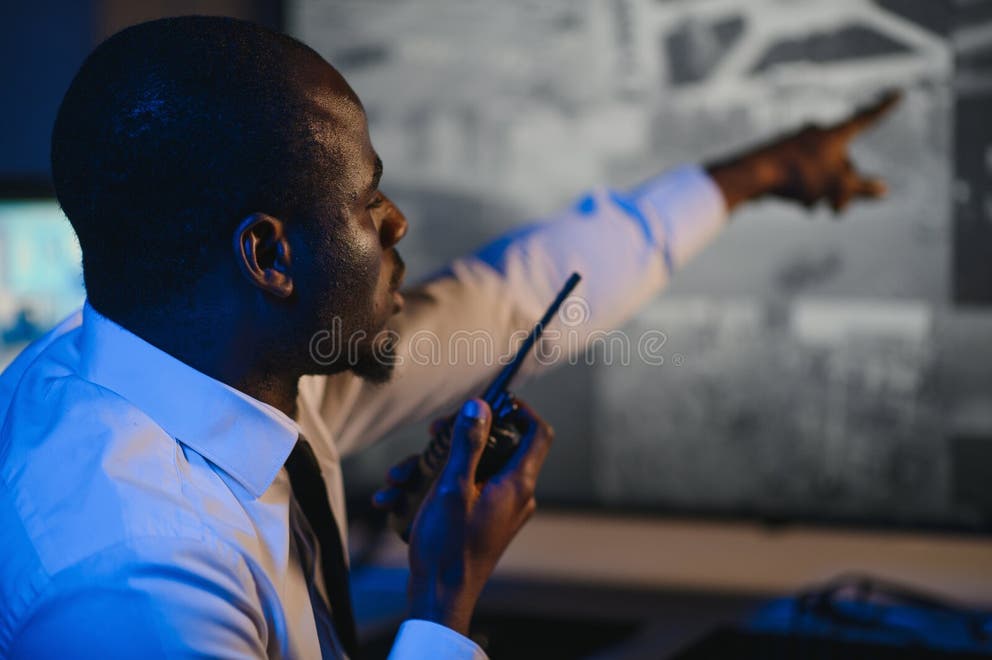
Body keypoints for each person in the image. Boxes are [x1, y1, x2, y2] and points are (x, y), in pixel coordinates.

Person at [0, 15, 898, 660]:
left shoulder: (220, 364)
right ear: (270, 256)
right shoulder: (138, 584)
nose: (395, 223)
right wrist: (442, 601)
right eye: (366, 201)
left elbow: (510, 303)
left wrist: (767, 170)